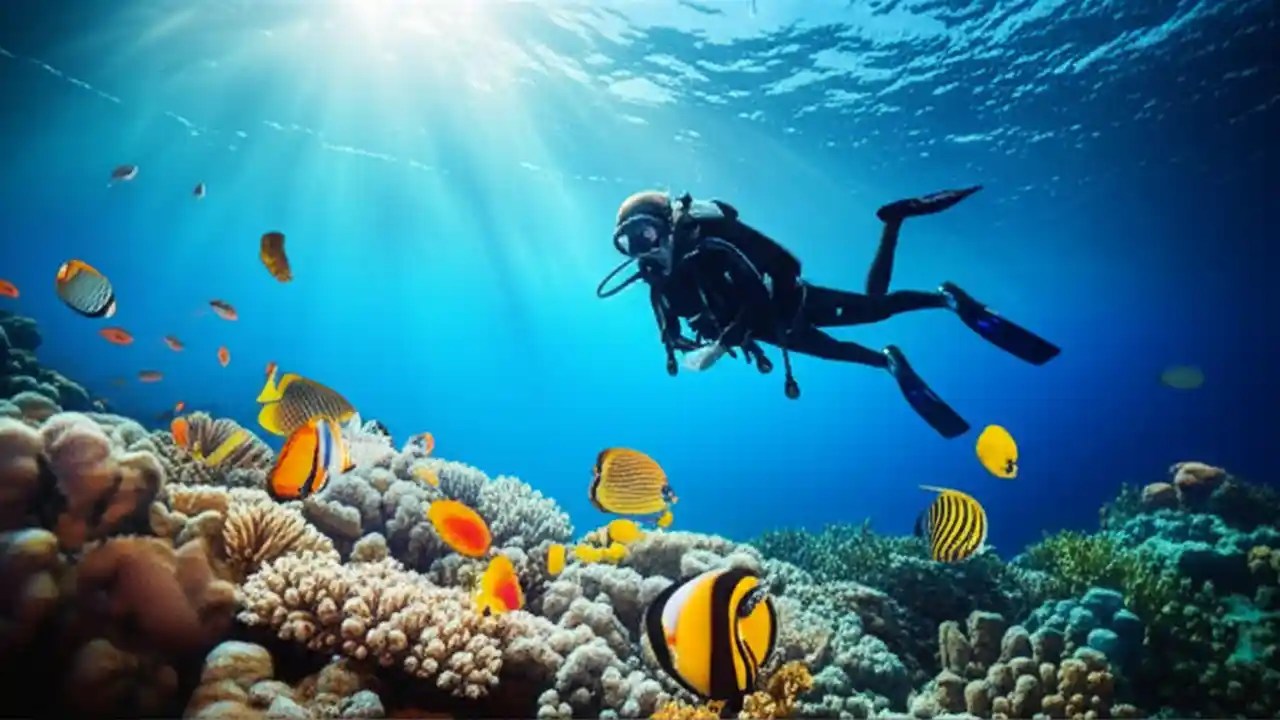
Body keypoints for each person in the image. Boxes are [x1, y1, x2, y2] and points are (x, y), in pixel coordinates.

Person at [595, 187, 1061, 439]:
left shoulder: (713, 242)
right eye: (629, 243)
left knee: (875, 308)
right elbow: (664, 311)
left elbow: (773, 277)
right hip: (779, 332)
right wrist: (671, 341)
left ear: (670, 228)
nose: (641, 252)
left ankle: (928, 273)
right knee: (840, 352)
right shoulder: (658, 280)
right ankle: (889, 361)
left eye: (647, 237)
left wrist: (727, 340)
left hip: (794, 304)